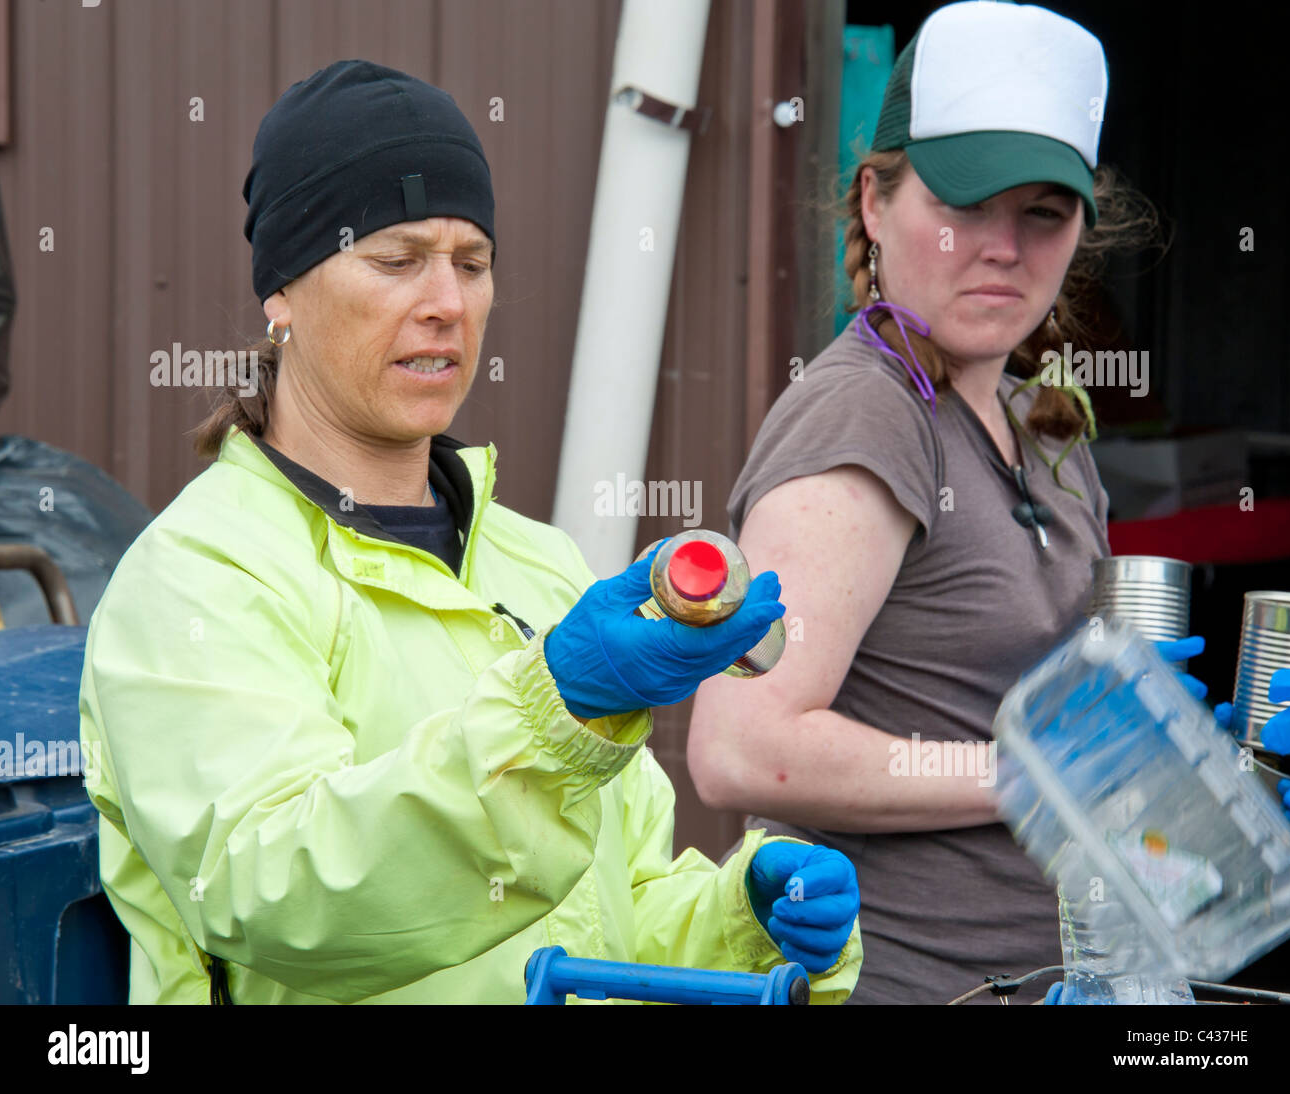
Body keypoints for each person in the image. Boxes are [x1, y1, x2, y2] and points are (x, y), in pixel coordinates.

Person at [78, 59, 863, 1004]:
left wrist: (747, 923)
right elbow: (272, 892)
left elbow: (612, 915)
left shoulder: (539, 563)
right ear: (281, 291)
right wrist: (553, 713)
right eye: (397, 259)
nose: (447, 301)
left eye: (473, 262)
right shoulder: (200, 577)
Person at [687, 1, 1211, 1005]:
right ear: (873, 203)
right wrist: (1043, 774)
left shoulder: (1045, 425)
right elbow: (740, 744)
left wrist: (1184, 756)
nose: (1001, 247)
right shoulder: (866, 414)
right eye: (961, 204)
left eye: (1041, 214)